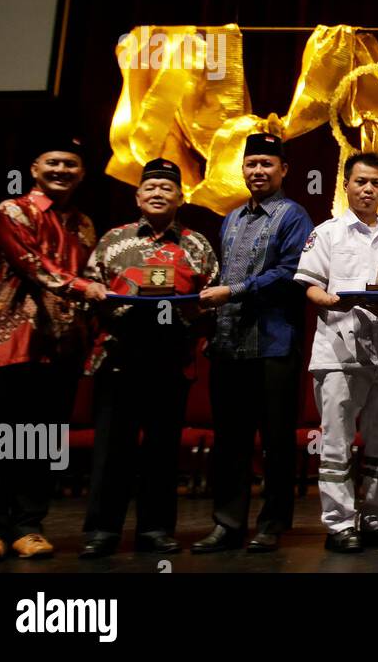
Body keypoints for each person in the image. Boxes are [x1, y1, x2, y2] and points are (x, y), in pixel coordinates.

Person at [0, 137, 105, 564]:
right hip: (13, 339)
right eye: (53, 162)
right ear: (34, 167)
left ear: (82, 174)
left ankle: (30, 526)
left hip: (62, 343)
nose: (61, 170)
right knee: (0, 438)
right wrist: (84, 287)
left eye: (70, 164)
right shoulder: (12, 211)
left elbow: (93, 274)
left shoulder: (84, 223)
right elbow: (32, 263)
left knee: (46, 439)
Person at [79, 158, 219, 558]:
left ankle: (155, 529)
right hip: (120, 354)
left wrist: (195, 312)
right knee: (113, 448)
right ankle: (103, 530)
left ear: (180, 197)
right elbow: (90, 288)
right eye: (151, 188)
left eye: (167, 188)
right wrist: (102, 299)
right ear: (138, 196)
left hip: (170, 358)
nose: (158, 194)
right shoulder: (113, 239)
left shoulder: (196, 244)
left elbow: (212, 300)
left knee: (161, 449)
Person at [192, 133, 314, 554]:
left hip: (274, 343)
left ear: (284, 170)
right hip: (228, 345)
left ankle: (272, 523)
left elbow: (292, 273)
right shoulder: (231, 219)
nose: (258, 171)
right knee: (230, 441)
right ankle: (227, 524)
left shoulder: (294, 216)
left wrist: (235, 291)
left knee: (277, 440)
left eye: (267, 163)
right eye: (251, 164)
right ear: (242, 169)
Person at [293, 152, 378, 553]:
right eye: (360, 182)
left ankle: (374, 515)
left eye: (375, 182)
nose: (368, 189)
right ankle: (339, 523)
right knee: (335, 442)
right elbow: (310, 286)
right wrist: (332, 300)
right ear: (346, 185)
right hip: (336, 353)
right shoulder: (328, 233)